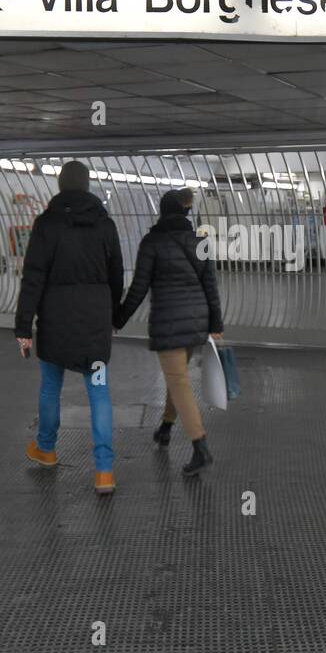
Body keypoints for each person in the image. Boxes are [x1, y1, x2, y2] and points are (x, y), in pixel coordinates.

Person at [15, 160, 124, 495]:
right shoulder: (105, 225)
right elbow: (117, 274)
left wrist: (23, 327)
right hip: (94, 323)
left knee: (50, 388)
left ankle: (46, 449)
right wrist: (112, 315)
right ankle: (104, 471)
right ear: (88, 186)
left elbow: (33, 277)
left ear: (60, 186)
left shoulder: (46, 224)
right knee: (99, 393)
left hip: (54, 322)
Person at [114, 188, 223, 477]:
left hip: (169, 323)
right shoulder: (200, 241)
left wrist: (119, 317)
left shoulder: (152, 242)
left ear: (162, 211)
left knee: (178, 381)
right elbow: (211, 287)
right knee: (179, 378)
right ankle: (165, 427)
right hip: (196, 322)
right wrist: (216, 325)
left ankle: (200, 447)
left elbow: (139, 287)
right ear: (185, 213)